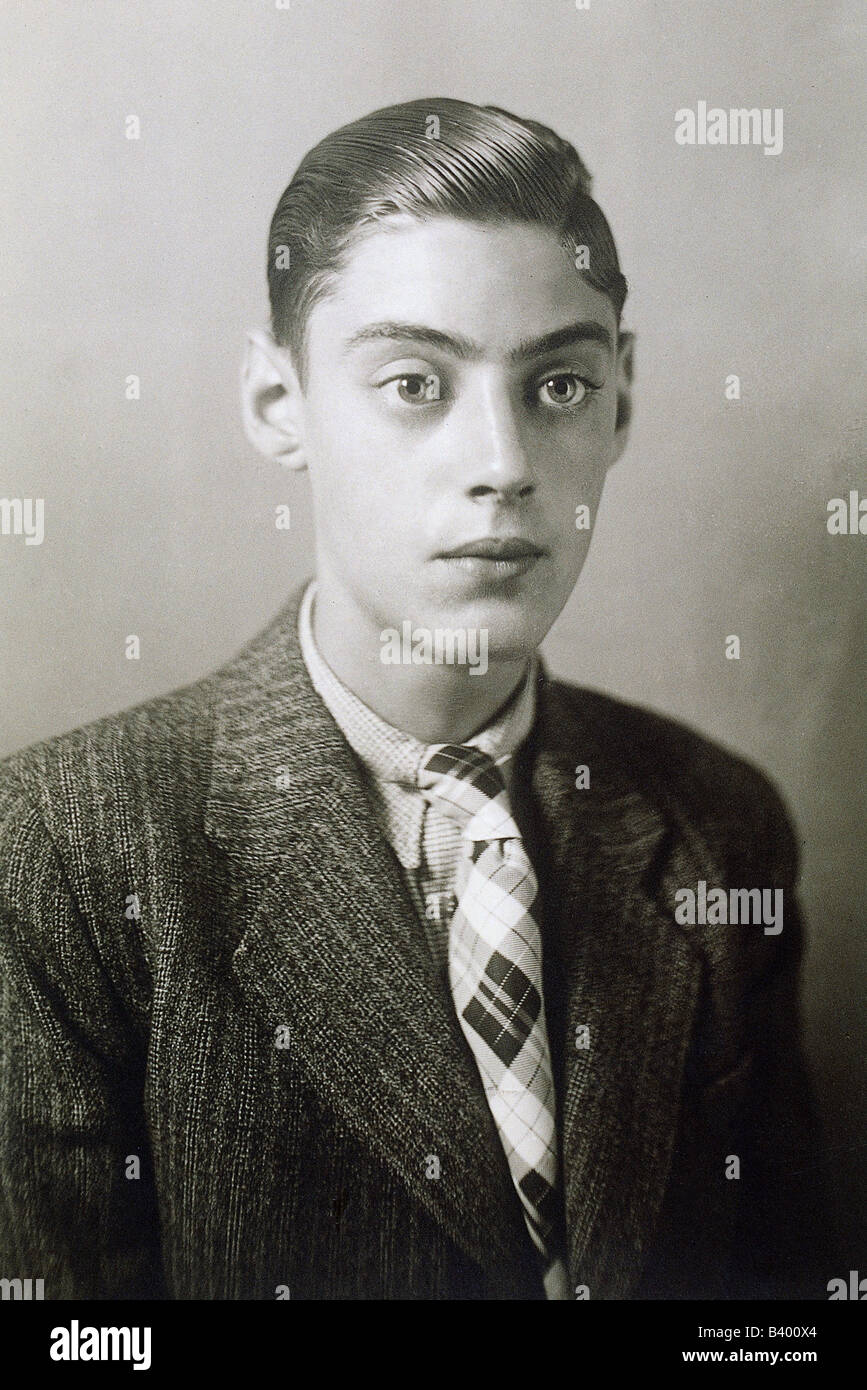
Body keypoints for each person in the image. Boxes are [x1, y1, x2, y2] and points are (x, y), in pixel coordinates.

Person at [0, 98, 826, 1300]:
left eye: (557, 386)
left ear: (624, 399)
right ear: (279, 404)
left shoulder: (717, 823)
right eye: (413, 382)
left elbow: (775, 1320)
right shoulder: (60, 852)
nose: (501, 461)